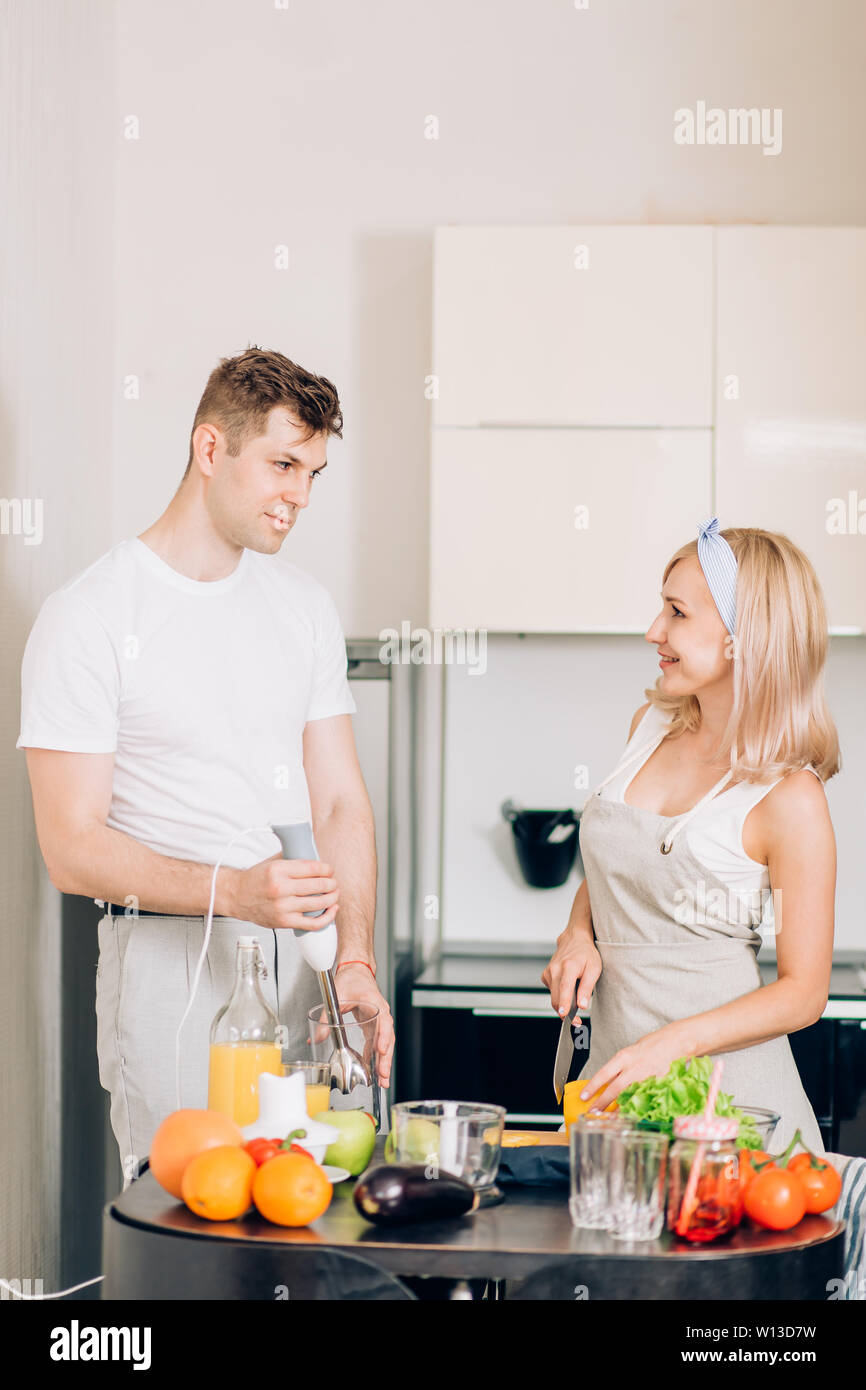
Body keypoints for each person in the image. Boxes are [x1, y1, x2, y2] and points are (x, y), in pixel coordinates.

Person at [17, 346, 394, 1177]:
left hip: (306, 968)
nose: (298, 495)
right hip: (168, 968)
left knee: (306, 1217)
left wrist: (356, 958)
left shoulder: (303, 607)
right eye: (283, 464)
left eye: (313, 473)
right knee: (189, 1228)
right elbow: (69, 848)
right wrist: (237, 891)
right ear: (211, 450)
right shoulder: (87, 616)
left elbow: (338, 804)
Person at [542, 518, 838, 1153]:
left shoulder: (789, 797)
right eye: (662, 607)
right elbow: (613, 869)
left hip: (732, 1109)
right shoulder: (646, 727)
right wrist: (577, 933)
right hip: (618, 1085)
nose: (655, 632)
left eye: (677, 613)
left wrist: (672, 1043)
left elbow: (804, 992)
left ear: (743, 638)